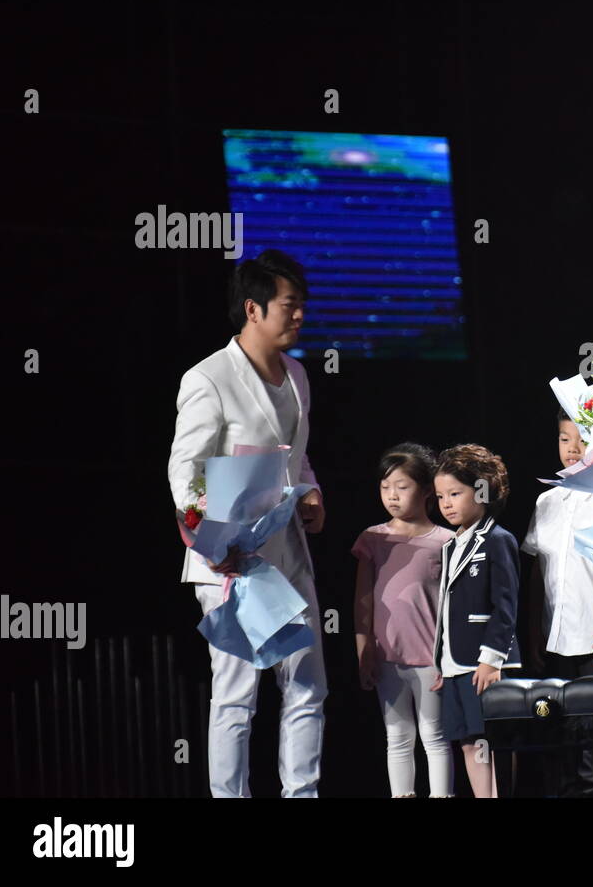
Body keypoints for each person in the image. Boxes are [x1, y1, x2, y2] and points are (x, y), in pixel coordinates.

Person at [167, 249, 328, 797]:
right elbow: (183, 471)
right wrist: (214, 543)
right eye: (290, 305)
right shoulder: (209, 377)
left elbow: (296, 456)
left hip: (289, 552)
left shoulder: (300, 375)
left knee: (308, 684)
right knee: (237, 694)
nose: (300, 315)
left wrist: (312, 495)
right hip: (232, 561)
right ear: (254, 309)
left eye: (303, 304)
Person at [521, 410, 593, 796]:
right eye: (564, 438)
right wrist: (535, 629)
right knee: (566, 741)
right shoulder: (547, 501)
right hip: (558, 638)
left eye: (582, 438)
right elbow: (540, 569)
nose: (572, 448)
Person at [353, 443, 455, 797]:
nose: (392, 496)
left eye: (402, 486)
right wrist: (363, 649)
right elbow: (363, 600)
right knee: (397, 736)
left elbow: (452, 605)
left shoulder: (446, 541)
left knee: (434, 735)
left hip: (431, 658)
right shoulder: (373, 538)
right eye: (385, 487)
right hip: (387, 656)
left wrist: (449, 656)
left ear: (427, 490)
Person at [431, 444, 522, 797]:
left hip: (484, 662)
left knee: (490, 740)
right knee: (468, 741)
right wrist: (441, 660)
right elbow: (444, 609)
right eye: (441, 496)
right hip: (455, 664)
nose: (447, 503)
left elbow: (506, 605)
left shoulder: (497, 540)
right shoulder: (450, 546)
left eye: (455, 493)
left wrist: (491, 659)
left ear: (482, 490)